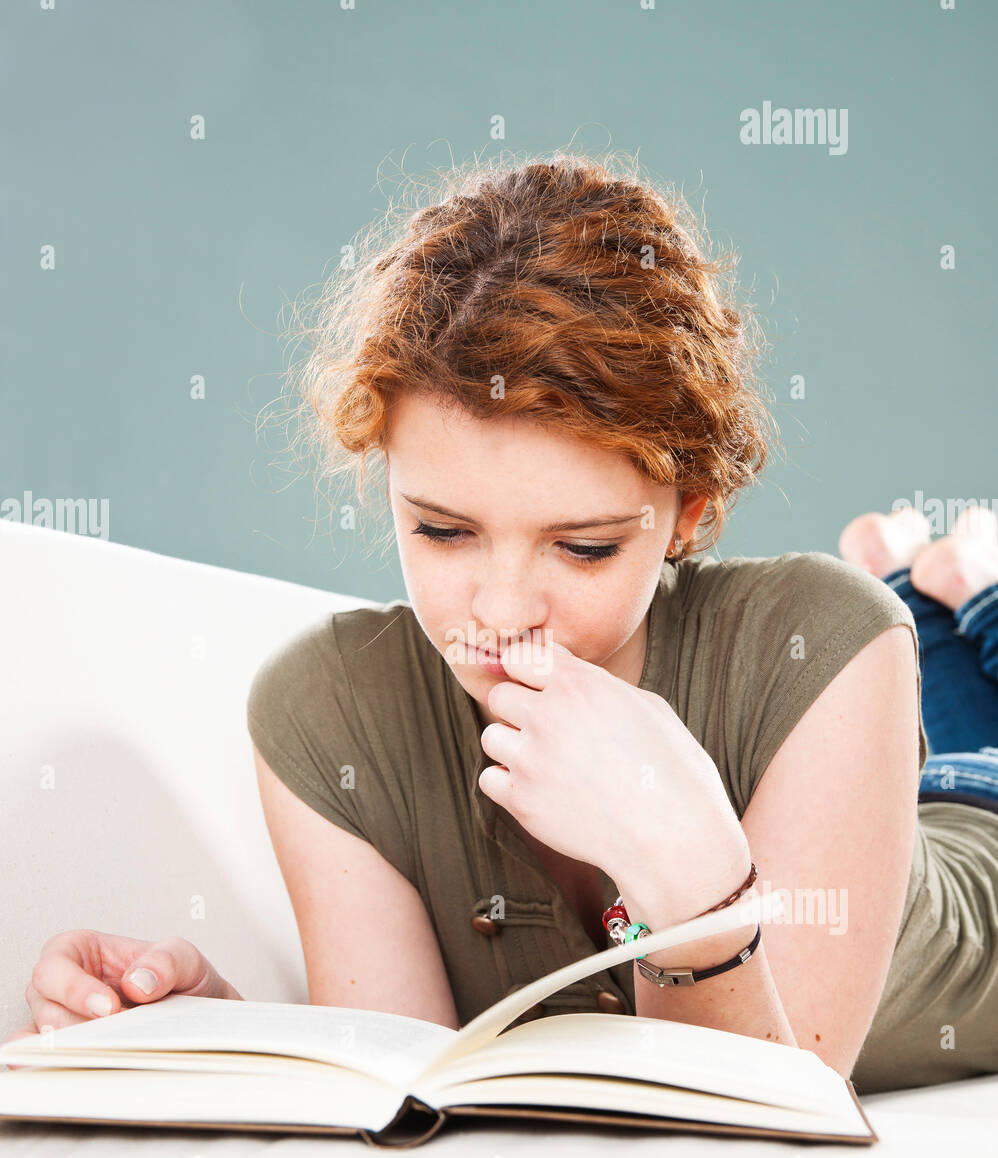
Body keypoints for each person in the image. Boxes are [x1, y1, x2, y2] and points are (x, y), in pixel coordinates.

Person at [8, 154, 998, 1098]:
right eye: (441, 530)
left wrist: (685, 869)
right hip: (874, 752)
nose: (500, 614)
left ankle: (944, 594)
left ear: (688, 509)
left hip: (966, 824)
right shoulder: (324, 713)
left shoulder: (823, 639)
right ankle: (934, 581)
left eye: (582, 547)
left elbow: (755, 1125)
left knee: (927, 657)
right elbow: (412, 1096)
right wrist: (214, 1040)